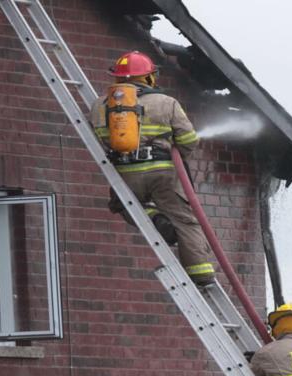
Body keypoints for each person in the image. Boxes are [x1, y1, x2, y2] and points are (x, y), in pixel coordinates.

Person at [91, 51, 216, 288]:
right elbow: (189, 139)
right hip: (162, 172)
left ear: (117, 78)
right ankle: (201, 273)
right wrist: (176, 150)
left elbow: (101, 137)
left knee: (123, 206)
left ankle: (155, 220)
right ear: (148, 78)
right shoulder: (166, 103)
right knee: (184, 220)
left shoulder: (100, 105)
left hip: (126, 173)